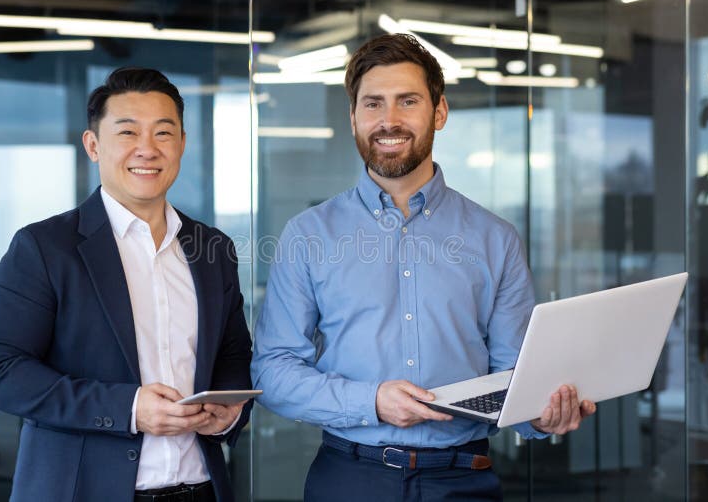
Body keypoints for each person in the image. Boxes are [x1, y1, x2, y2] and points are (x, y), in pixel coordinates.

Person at [250, 34, 596, 501]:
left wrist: (541, 413)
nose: (388, 120)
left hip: (463, 479)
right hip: (350, 479)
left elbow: (515, 373)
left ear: (439, 112)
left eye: (407, 101)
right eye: (372, 104)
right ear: (353, 117)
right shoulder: (308, 235)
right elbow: (272, 373)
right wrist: (370, 401)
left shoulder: (495, 239)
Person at [0, 67, 252, 502]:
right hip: (81, 490)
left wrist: (230, 412)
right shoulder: (45, 248)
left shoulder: (211, 248)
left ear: (182, 144)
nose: (147, 149)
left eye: (163, 133)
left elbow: (234, 354)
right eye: (127, 132)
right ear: (93, 145)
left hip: (200, 488)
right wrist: (129, 408)